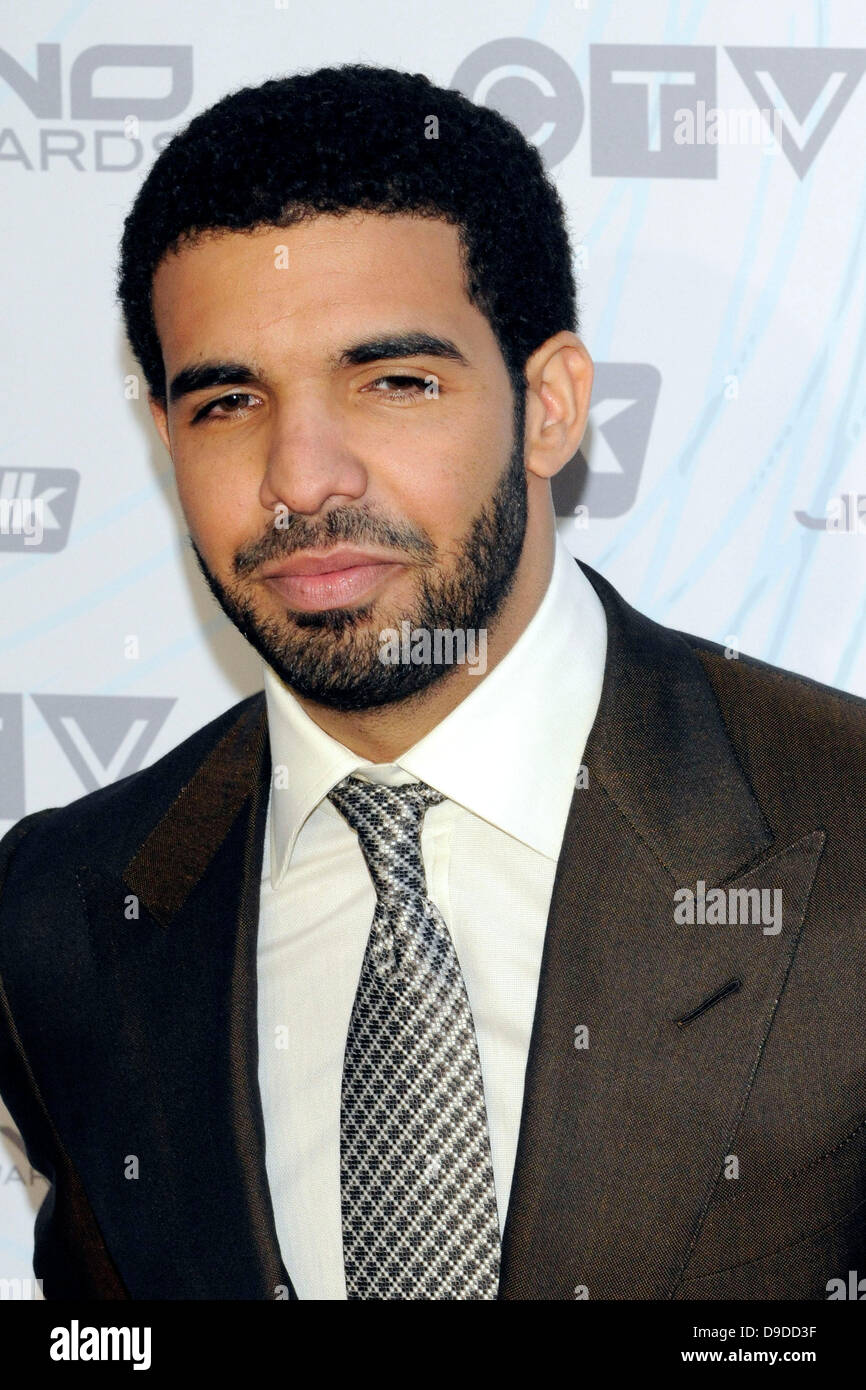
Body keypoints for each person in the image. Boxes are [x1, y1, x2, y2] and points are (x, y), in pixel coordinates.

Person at [1, 63, 864, 1302]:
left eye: (393, 381)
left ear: (549, 406)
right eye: (229, 401)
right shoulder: (58, 915)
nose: (303, 478)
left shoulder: (841, 830)